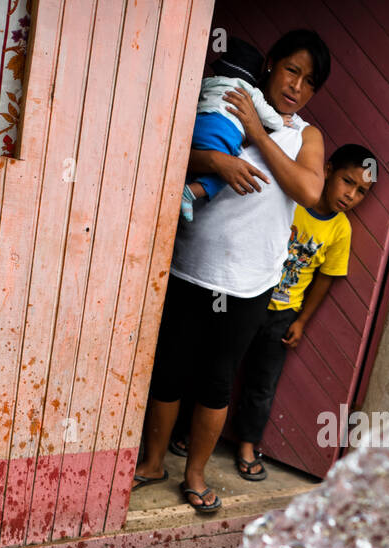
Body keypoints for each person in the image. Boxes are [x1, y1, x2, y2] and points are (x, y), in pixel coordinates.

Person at [134, 29, 330, 514]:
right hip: (190, 265)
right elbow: (179, 154)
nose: (296, 86)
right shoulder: (227, 94)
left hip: (249, 281)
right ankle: (154, 461)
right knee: (170, 370)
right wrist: (218, 161)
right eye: (291, 70)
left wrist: (259, 136)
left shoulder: (304, 135)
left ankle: (195, 473)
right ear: (270, 62)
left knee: (218, 380)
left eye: (308, 82)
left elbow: (308, 191)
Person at [233, 144, 377, 481]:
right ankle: (189, 432)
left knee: (262, 384)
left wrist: (300, 321)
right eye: (347, 181)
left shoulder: (341, 230)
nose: (351, 195)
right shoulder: (292, 201)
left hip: (283, 314)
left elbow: (325, 278)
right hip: (249, 296)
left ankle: (246, 444)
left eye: (361, 191)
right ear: (327, 170)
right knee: (221, 368)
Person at [181, 37, 285, 222]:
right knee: (230, 173)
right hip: (221, 135)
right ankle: (189, 193)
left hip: (196, 127)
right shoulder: (250, 92)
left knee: (190, 166)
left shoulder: (209, 81)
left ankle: (180, 188)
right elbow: (274, 122)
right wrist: (281, 120)